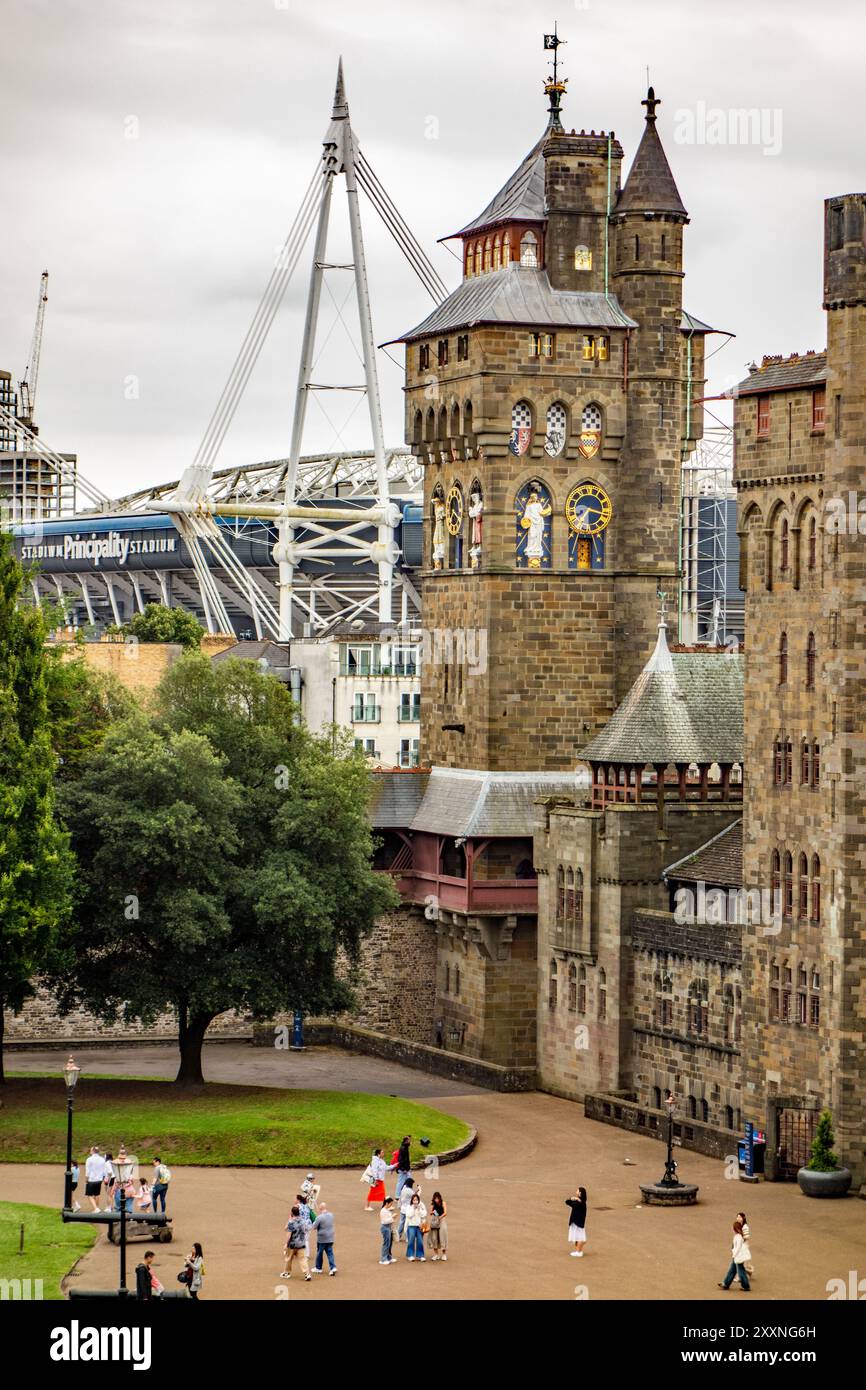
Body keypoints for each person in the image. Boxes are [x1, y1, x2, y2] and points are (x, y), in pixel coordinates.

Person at [718, 1218, 751, 1291]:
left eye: (733, 1228)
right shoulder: (737, 1236)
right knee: (732, 1270)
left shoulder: (738, 1237)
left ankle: (746, 1286)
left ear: (735, 1229)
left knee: (740, 1271)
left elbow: (738, 1247)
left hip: (738, 1256)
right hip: (737, 1256)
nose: (732, 1229)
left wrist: (734, 1255)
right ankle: (726, 1284)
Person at [281, 1206, 311, 1281]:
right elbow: (306, 1230)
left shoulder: (291, 1222)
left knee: (288, 1258)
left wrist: (286, 1244)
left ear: (292, 1213)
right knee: (303, 1260)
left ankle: (287, 1273)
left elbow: (287, 1232)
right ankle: (307, 1274)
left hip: (292, 1244)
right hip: (301, 1243)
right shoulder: (303, 1221)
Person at [311, 1203, 337, 1276]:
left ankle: (318, 1268)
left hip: (322, 1238)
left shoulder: (319, 1217)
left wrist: (315, 1219)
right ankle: (333, 1267)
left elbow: (314, 1227)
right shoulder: (331, 1215)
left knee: (319, 1253)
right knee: (330, 1253)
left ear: (320, 1208)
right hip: (330, 1237)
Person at [405, 1190, 427, 1262]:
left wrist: (419, 1209)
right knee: (411, 1240)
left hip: (419, 1226)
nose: (415, 1201)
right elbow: (408, 1215)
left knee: (420, 1241)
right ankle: (410, 1255)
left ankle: (421, 1255)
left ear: (418, 1200)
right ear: (412, 1200)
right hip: (411, 1226)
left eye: (416, 1200)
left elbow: (424, 1214)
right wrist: (414, 1209)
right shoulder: (409, 1207)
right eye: (414, 1200)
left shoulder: (421, 1206)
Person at [565, 1186, 588, 1257]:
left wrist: (575, 1199)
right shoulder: (579, 1201)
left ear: (580, 1193)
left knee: (580, 1238)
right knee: (578, 1237)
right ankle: (579, 1251)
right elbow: (567, 1202)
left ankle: (578, 1252)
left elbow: (570, 1203)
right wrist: (573, 1198)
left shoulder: (581, 1202)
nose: (576, 1191)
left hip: (577, 1222)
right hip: (577, 1222)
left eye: (577, 1190)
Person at [84, 1147, 106, 1213]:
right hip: (99, 1179)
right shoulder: (102, 1159)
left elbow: (87, 1171)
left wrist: (86, 1179)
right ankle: (97, 1208)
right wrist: (103, 1178)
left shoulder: (89, 1159)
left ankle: (96, 1208)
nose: (90, 1151)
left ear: (93, 1151)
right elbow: (104, 1170)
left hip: (91, 1179)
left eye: (90, 1150)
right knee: (97, 1194)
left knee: (89, 1195)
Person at [428, 1191, 448, 1261]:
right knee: (434, 1237)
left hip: (442, 1220)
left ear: (440, 1197)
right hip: (435, 1221)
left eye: (437, 1198)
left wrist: (440, 1217)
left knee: (443, 1236)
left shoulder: (443, 1203)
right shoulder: (433, 1204)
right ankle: (436, 1254)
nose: (436, 1200)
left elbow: (445, 1212)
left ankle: (444, 1254)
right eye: (435, 1198)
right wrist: (432, 1213)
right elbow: (431, 1212)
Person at [397, 1176, 416, 1242]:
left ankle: (398, 1236)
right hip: (409, 1210)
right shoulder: (411, 1191)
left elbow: (400, 1199)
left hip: (403, 1209)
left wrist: (399, 1206)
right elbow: (415, 1198)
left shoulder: (403, 1189)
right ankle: (408, 1238)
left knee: (401, 1223)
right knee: (409, 1224)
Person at [379, 1197, 397, 1265]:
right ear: (387, 1203)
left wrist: (392, 1217)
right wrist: (393, 1217)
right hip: (385, 1227)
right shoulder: (383, 1211)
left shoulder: (386, 1210)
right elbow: (385, 1221)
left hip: (389, 1227)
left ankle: (389, 1257)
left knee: (389, 1243)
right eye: (390, 1204)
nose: (391, 1205)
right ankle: (383, 1258)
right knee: (386, 1243)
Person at [736, 1211, 755, 1279]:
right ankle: (749, 1271)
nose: (737, 1218)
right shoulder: (738, 1225)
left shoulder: (745, 1227)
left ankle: (739, 1277)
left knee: (740, 1262)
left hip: (743, 1246)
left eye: (739, 1217)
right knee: (740, 1262)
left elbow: (747, 1237)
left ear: (743, 1218)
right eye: (737, 1217)